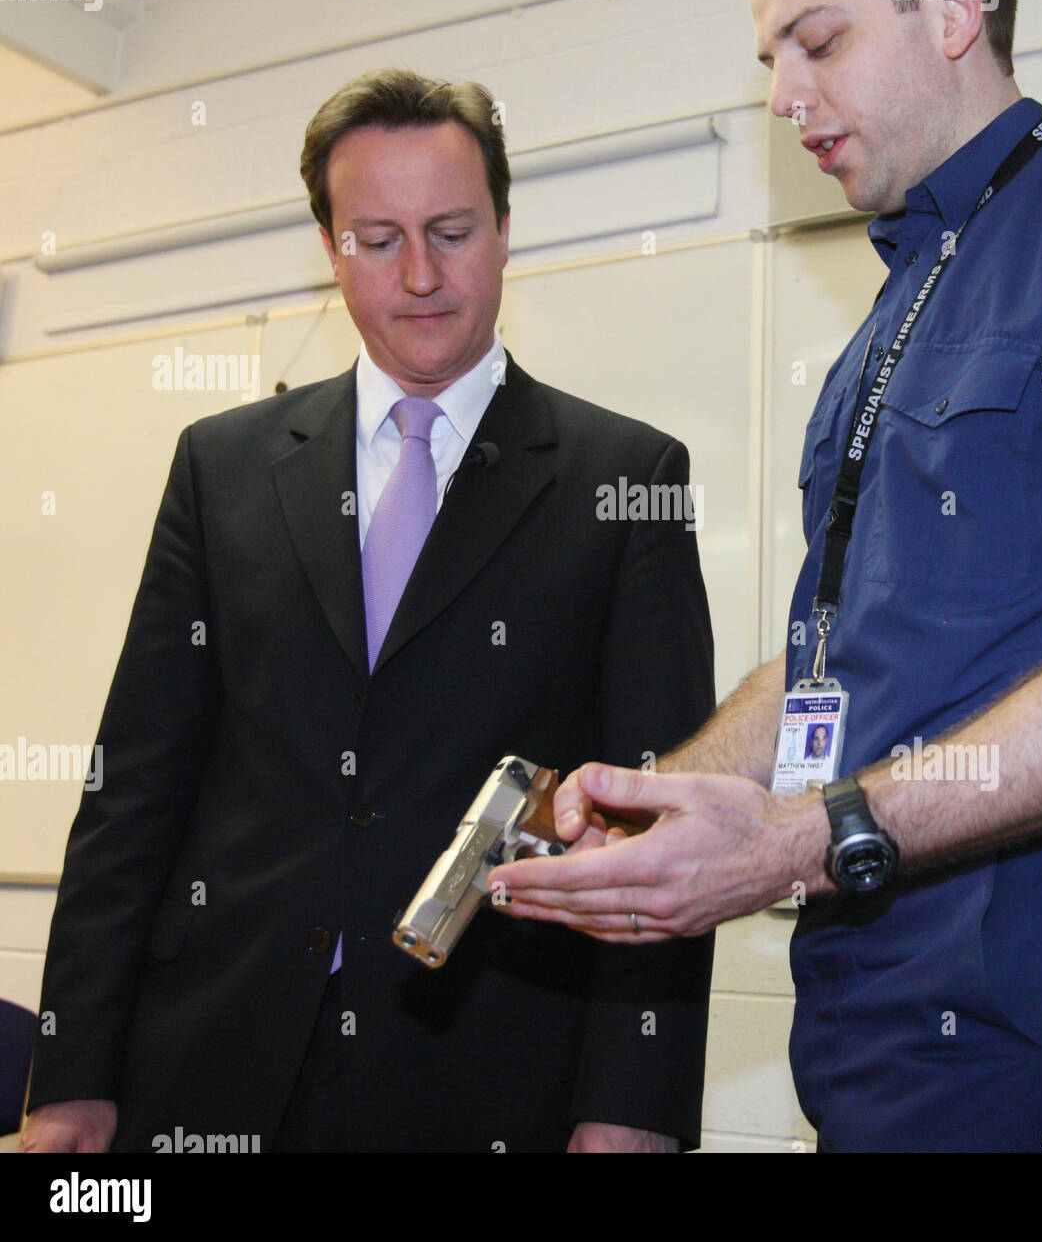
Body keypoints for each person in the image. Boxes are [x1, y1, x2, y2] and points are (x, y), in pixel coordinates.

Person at [492, 0, 1042, 1153]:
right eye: (770, 61)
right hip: (874, 983)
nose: (783, 99)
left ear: (954, 11)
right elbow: (843, 660)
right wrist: (644, 805)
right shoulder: (895, 309)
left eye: (819, 42)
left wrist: (811, 838)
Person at [21, 69, 715, 1154]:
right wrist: (70, 1076)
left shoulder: (623, 479)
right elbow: (136, 792)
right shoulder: (223, 468)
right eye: (378, 239)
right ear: (329, 246)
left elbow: (657, 818)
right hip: (211, 1061)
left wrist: (631, 1111)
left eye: (451, 229)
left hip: (488, 1074)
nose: (423, 275)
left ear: (502, 228)